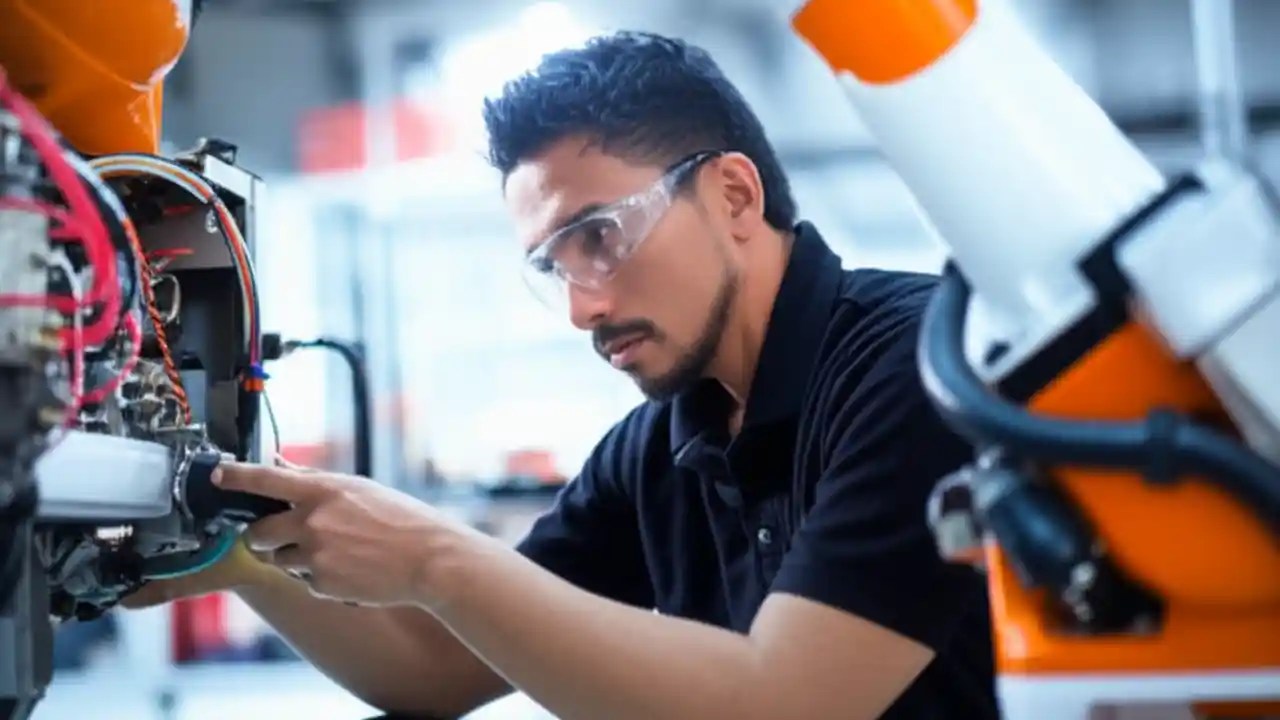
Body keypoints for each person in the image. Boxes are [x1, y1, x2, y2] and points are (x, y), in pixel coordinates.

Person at [126, 31, 997, 720]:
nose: (582, 307)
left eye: (601, 236)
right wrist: (236, 554)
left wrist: (436, 556)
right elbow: (437, 668)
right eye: (552, 265)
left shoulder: (917, 366)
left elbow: (784, 700)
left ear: (734, 196)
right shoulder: (663, 445)